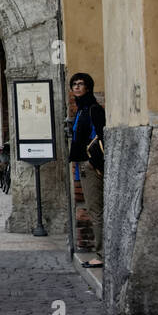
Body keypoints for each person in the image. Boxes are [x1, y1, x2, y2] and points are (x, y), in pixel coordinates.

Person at [67, 73, 106, 268]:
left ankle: (101, 255)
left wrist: (92, 163)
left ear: (88, 87)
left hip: (90, 165)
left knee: (95, 210)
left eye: (80, 84)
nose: (77, 87)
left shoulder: (93, 109)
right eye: (74, 84)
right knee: (93, 209)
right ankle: (101, 252)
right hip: (82, 164)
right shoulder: (81, 110)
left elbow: (101, 136)